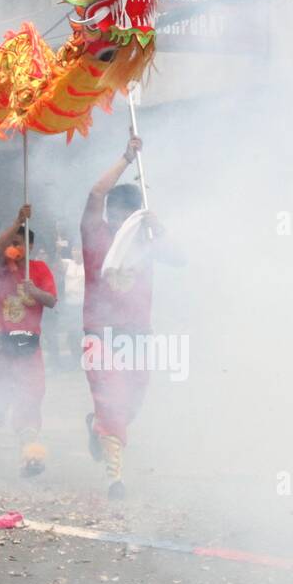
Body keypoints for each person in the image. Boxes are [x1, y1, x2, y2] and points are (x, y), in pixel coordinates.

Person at [80, 132, 179, 500]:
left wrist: (160, 230)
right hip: (100, 332)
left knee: (131, 403)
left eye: (130, 215)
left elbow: (180, 259)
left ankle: (98, 429)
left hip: (137, 334)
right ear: (110, 214)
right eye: (117, 214)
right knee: (110, 400)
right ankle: (115, 480)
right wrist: (125, 157)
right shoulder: (94, 233)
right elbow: (94, 194)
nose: (122, 221)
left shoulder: (147, 242)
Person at [0, 204, 57, 476]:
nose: (15, 248)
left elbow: (52, 301)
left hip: (27, 345)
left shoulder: (39, 270)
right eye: (12, 243)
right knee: (3, 395)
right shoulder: (1, 267)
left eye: (20, 244)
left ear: (30, 247)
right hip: (0, 343)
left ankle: (30, 454)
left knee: (31, 395)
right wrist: (17, 220)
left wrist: (34, 290)